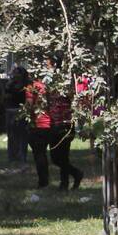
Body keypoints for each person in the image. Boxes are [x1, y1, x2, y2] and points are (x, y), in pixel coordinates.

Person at [44, 58, 83, 190]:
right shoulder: (49, 81)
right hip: (54, 122)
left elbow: (73, 96)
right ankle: (75, 174)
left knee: (63, 156)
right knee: (56, 157)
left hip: (65, 123)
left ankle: (64, 183)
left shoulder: (67, 82)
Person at [5, 66, 30, 164]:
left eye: (17, 73)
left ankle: (22, 156)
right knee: (11, 135)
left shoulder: (26, 85)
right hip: (10, 110)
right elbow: (6, 95)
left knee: (22, 135)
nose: (15, 75)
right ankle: (12, 156)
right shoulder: (10, 84)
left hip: (21, 111)